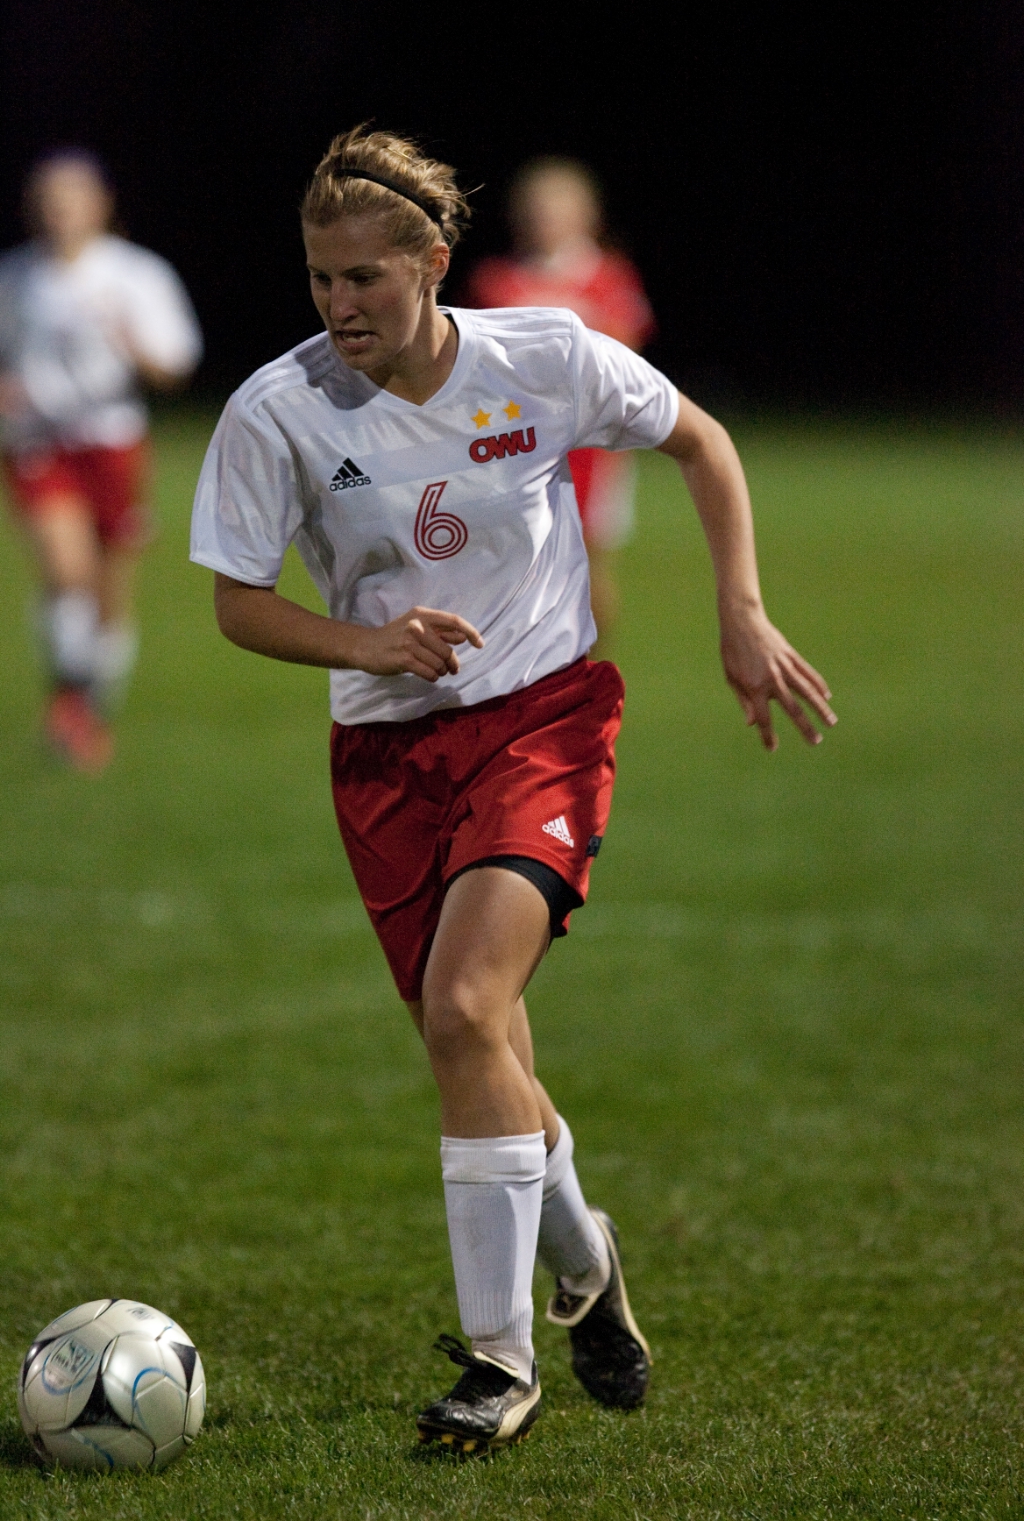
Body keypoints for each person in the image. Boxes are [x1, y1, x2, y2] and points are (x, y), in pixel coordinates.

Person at [190, 127, 836, 1453]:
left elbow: (701, 442)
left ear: (432, 262)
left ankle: (500, 1362)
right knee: (475, 1047)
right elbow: (238, 605)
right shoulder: (276, 411)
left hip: (542, 719)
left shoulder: (543, 355)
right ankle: (587, 1259)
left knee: (465, 1007)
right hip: (386, 758)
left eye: (364, 277)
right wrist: (367, 643)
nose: (338, 305)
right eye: (319, 278)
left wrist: (740, 609)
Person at [0, 150, 203, 771]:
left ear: (100, 205)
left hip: (113, 441)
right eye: (48, 201)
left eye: (71, 199)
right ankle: (69, 701)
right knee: (67, 570)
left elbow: (176, 364)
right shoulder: (16, 277)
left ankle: (89, 709)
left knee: (109, 590)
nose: (58, 212)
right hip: (39, 441)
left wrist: (134, 348)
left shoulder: (136, 275)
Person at [465, 158, 655, 652]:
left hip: (590, 442)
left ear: (585, 215)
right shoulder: (496, 280)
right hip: (513, 439)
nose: (543, 221)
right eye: (535, 211)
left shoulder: (608, 277)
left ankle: (587, 661)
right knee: (513, 559)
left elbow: (627, 350)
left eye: (554, 211)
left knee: (589, 558)